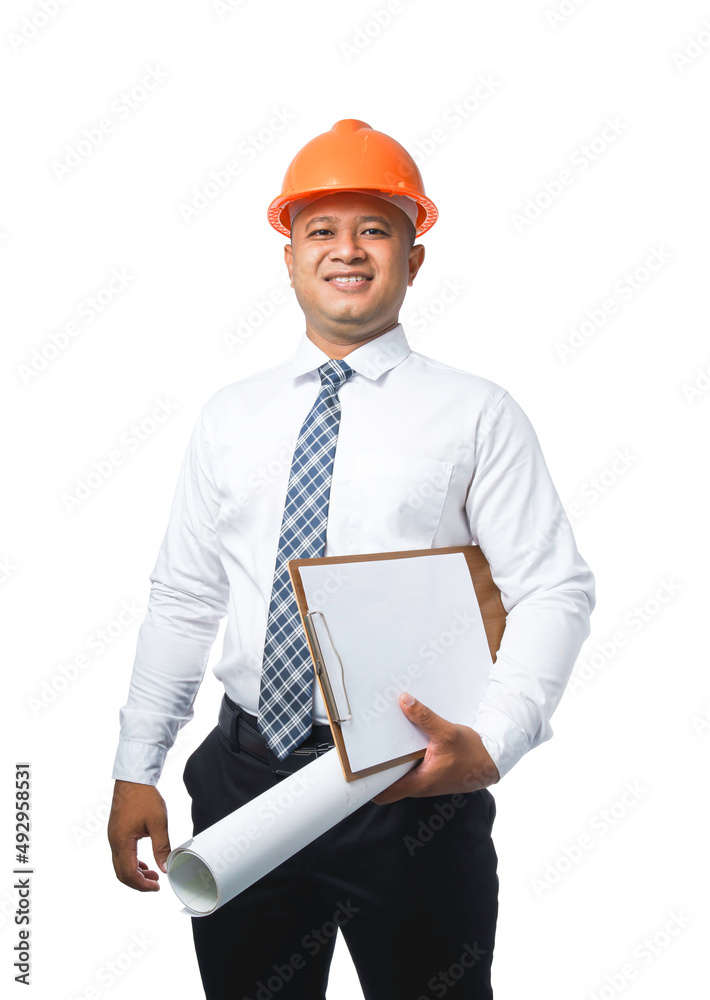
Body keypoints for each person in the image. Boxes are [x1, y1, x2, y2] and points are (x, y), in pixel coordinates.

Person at [108, 119, 595, 999]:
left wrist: (491, 745)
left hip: (409, 785)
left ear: (414, 257)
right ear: (290, 258)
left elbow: (553, 589)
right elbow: (184, 597)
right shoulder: (230, 417)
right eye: (321, 230)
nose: (347, 250)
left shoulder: (476, 413)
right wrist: (136, 766)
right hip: (244, 780)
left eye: (376, 228)